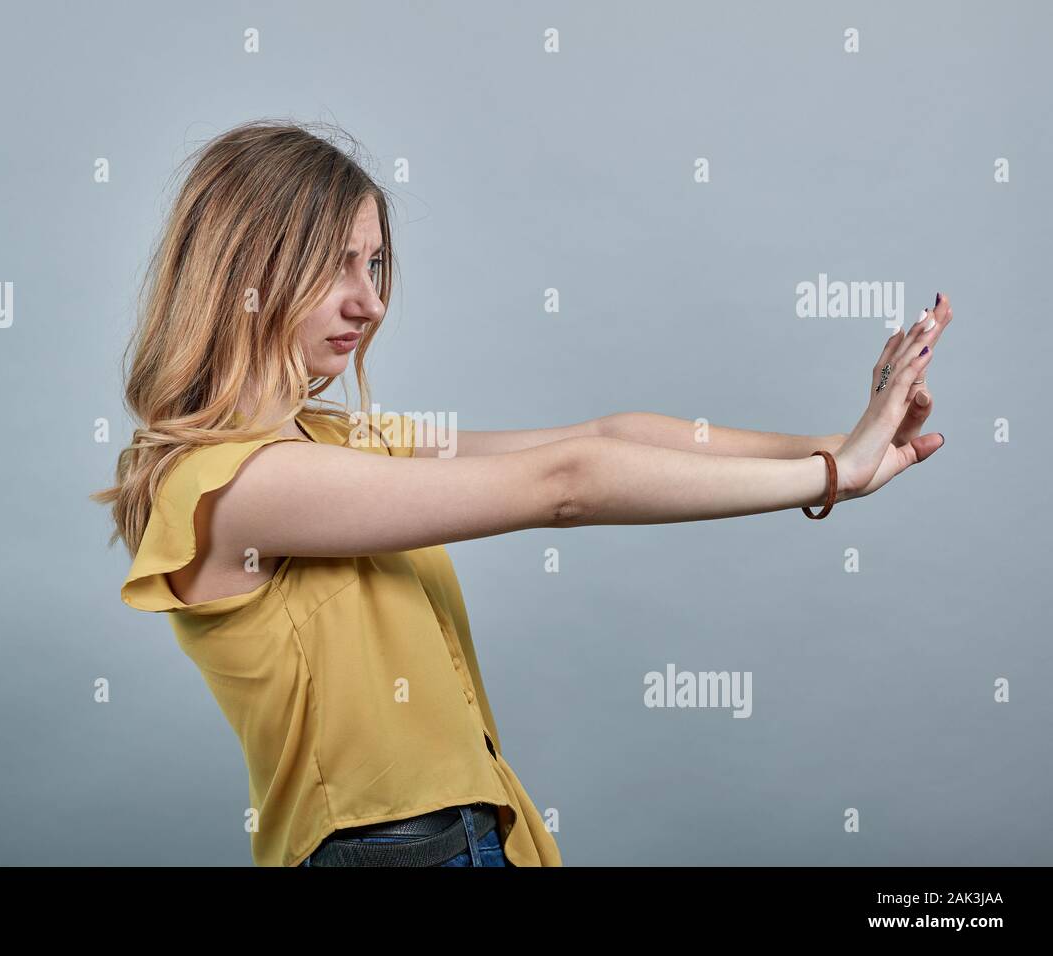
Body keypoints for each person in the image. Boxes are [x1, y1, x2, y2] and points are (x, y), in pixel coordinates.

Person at [92, 119, 951, 867]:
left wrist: (844, 442)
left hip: (455, 837)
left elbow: (601, 439)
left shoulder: (335, 440)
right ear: (247, 269)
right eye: (335, 266)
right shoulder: (237, 487)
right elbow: (566, 487)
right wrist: (832, 479)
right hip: (398, 854)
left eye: (378, 264)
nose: (371, 302)